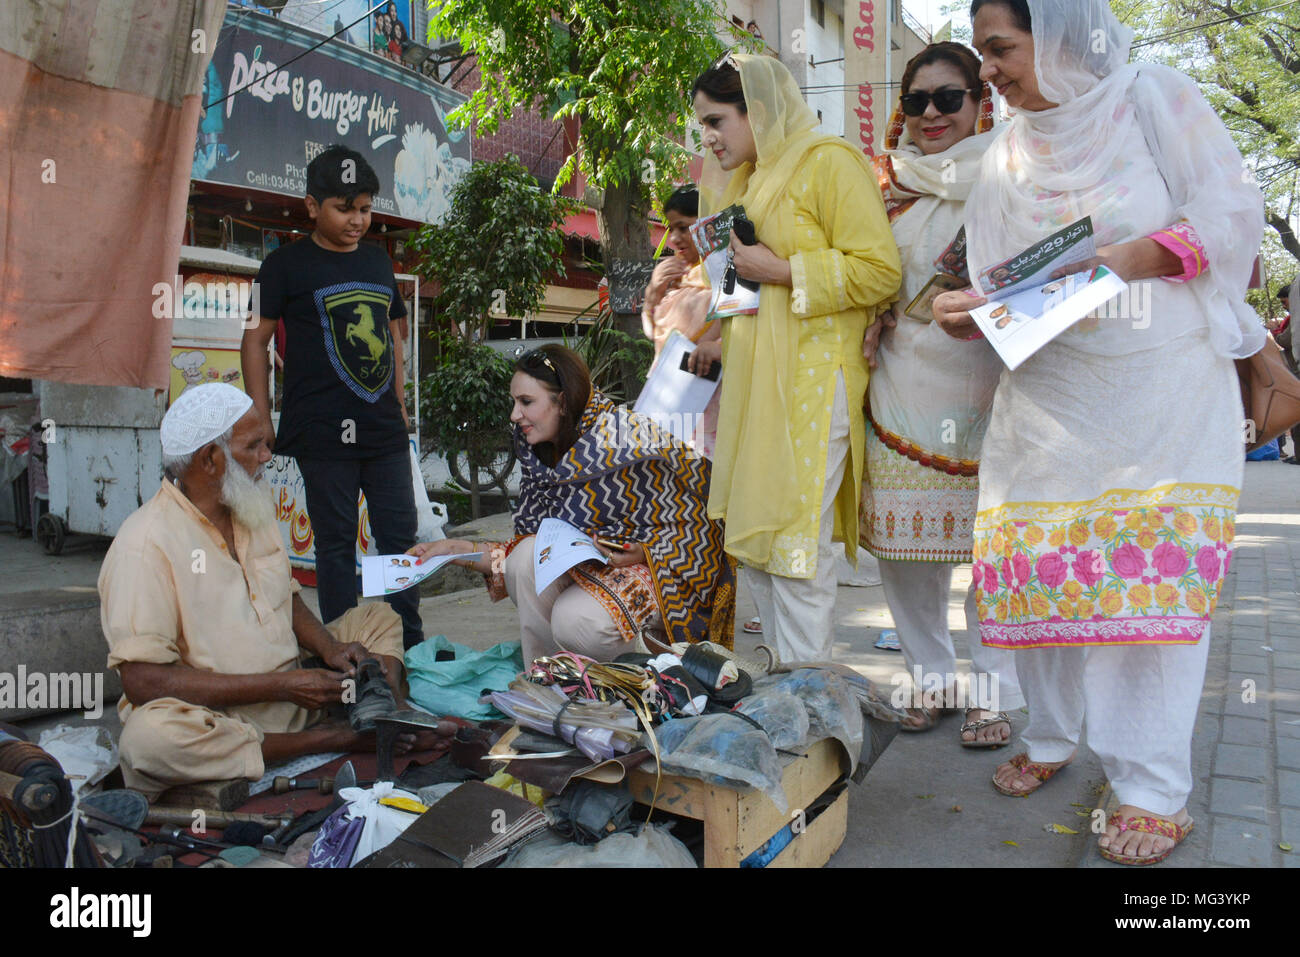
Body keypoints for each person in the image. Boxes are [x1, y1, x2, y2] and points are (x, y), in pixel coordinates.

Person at [931, 0, 1266, 865]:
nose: (989, 71)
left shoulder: (1151, 97)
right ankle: (1051, 734)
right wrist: (965, 313)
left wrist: (1137, 256)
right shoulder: (1005, 148)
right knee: (1040, 571)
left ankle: (1152, 784)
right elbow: (994, 278)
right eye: (983, 52)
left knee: (1136, 591)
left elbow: (1233, 213)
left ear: (1061, 38)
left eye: (1000, 49)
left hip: (1158, 387)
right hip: (1046, 393)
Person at [98, 384, 422, 800]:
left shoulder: (248, 502)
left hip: (298, 688)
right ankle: (333, 738)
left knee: (377, 618)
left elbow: (284, 596)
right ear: (210, 460)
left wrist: (328, 649)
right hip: (225, 715)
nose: (267, 457)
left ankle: (381, 714)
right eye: (254, 447)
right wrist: (283, 687)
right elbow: (142, 681)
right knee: (149, 739)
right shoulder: (143, 546)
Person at [691, 53, 901, 665]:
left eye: (717, 120)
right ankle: (787, 690)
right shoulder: (749, 184)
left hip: (814, 380)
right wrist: (719, 321)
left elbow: (880, 270)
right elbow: (740, 291)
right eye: (701, 124)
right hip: (756, 382)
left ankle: (816, 710)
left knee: (797, 547)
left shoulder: (828, 162)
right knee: (759, 549)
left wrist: (779, 270)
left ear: (757, 110)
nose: (708, 137)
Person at [859, 42, 1023, 746]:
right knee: (905, 552)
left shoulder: (1016, 171)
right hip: (901, 386)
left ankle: (991, 691)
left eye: (948, 97)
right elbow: (864, 274)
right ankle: (933, 677)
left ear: (980, 101)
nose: (931, 113)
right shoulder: (884, 184)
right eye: (918, 100)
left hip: (992, 385)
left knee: (990, 551)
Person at [408, 345, 735, 663]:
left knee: (576, 621)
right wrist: (454, 551)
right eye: (514, 401)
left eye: (526, 402)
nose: (514, 415)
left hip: (660, 571)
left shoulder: (628, 439)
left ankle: (641, 677)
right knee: (524, 559)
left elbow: (699, 522)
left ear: (562, 402)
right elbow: (513, 554)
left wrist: (646, 551)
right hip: (590, 570)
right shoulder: (538, 456)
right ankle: (552, 681)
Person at [241, 145, 423, 650]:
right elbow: (254, 339)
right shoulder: (280, 266)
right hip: (322, 431)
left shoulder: (378, 262)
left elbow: (393, 336)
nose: (357, 220)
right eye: (344, 208)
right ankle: (344, 649)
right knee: (337, 546)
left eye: (365, 209)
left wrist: (401, 403)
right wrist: (261, 414)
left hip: (383, 430)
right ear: (311, 206)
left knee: (396, 543)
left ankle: (405, 644)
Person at [641, 185, 721, 458]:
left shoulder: (728, 276)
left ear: (707, 225)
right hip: (670, 400)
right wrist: (653, 292)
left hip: (714, 406)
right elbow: (655, 333)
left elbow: (744, 330)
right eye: (671, 229)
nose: (674, 238)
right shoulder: (674, 277)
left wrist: (719, 347)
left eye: (683, 227)